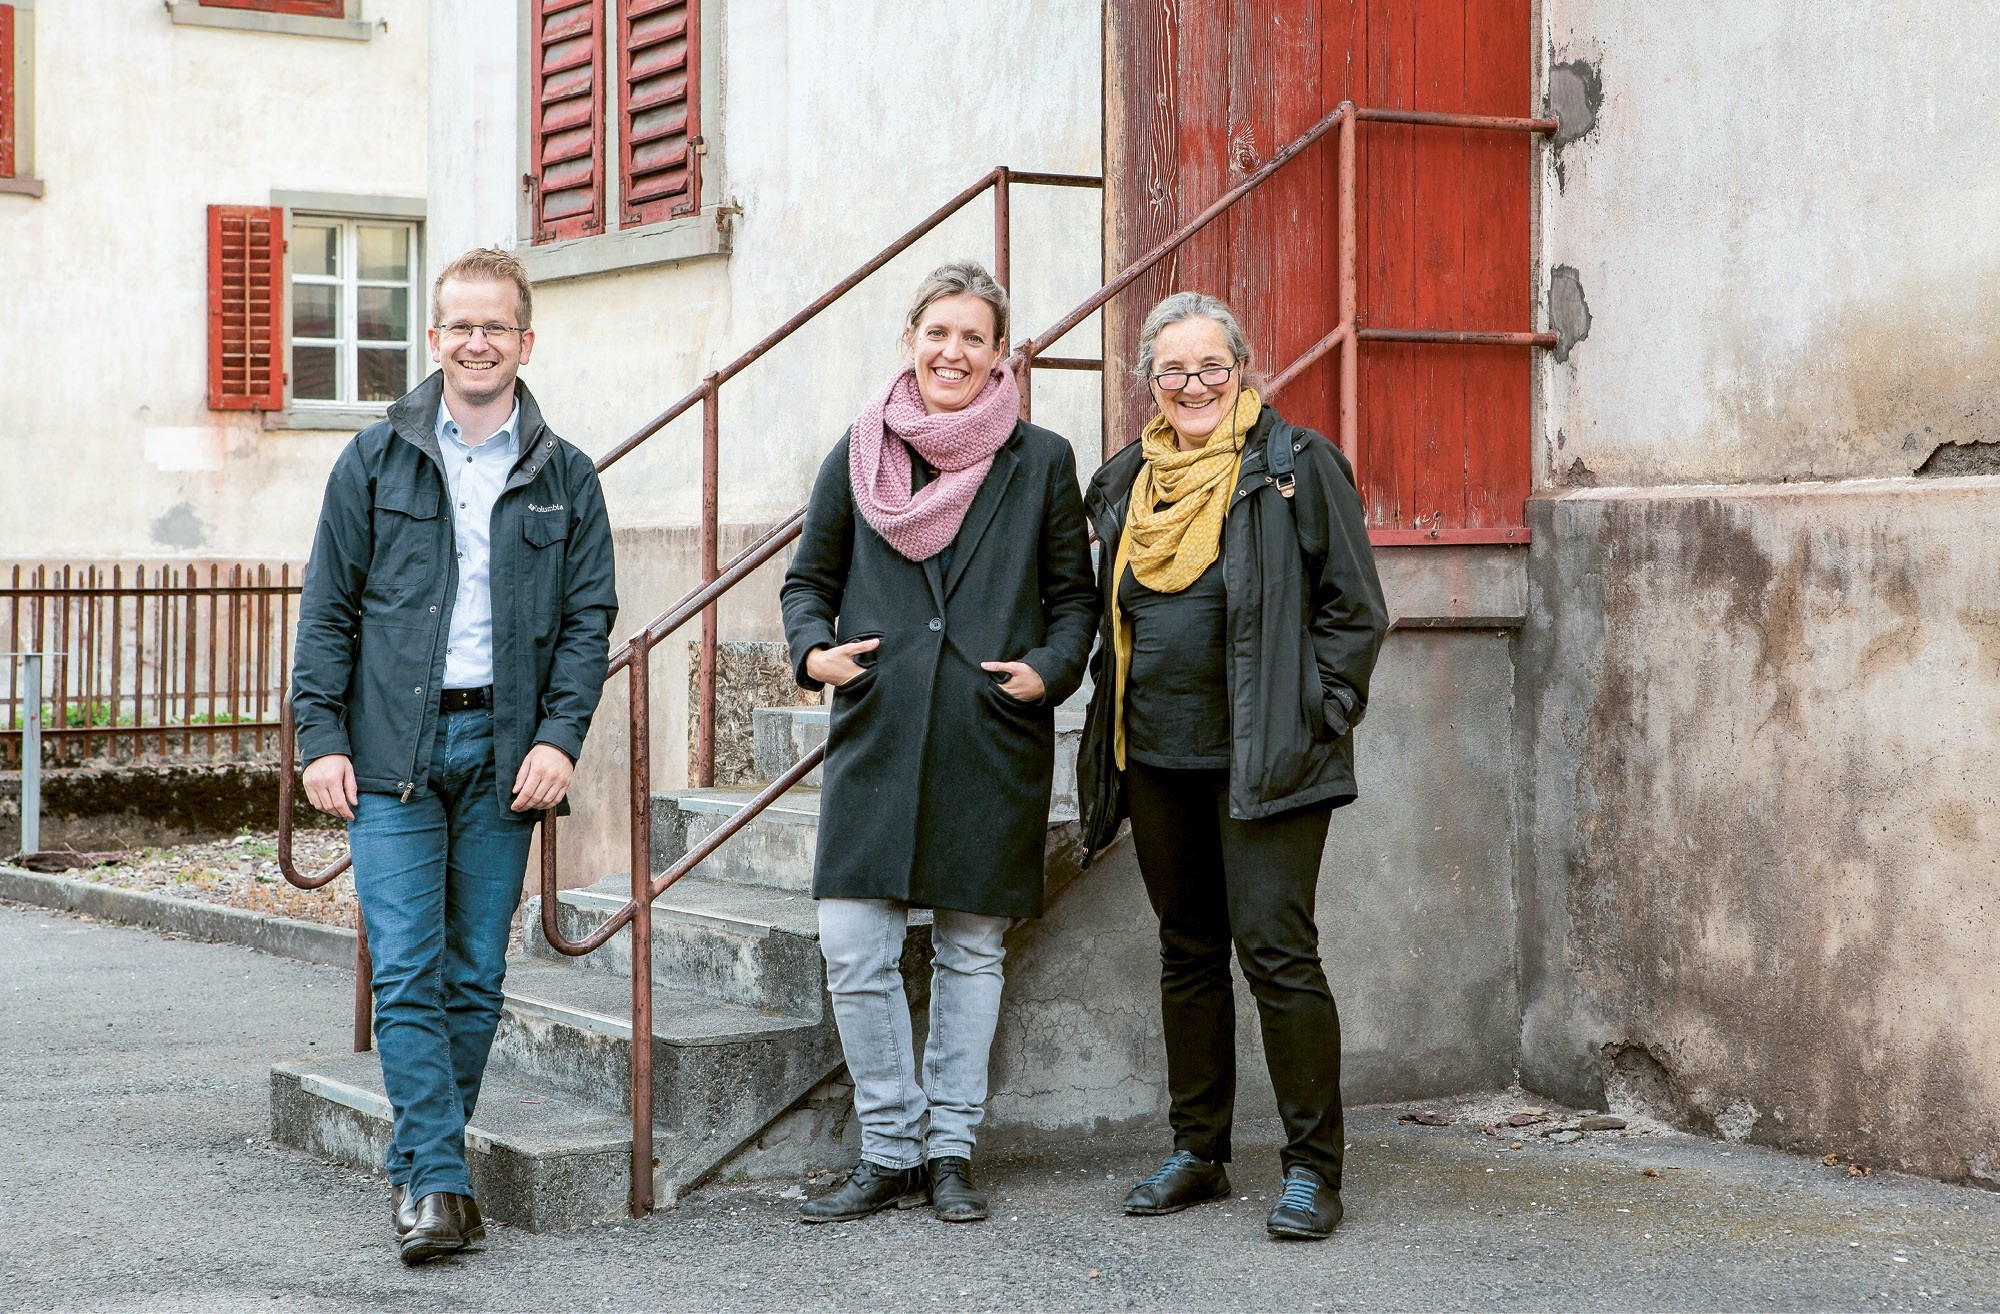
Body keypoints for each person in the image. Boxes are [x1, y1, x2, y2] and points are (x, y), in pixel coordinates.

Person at [290, 248, 618, 1264]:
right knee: (406, 969)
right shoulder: (373, 461)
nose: (478, 342)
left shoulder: (564, 474)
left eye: (497, 326)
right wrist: (318, 736)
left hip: (507, 749)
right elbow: (329, 609)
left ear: (525, 340)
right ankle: (435, 1181)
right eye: (459, 325)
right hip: (391, 748)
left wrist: (560, 738)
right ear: (433, 339)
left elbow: (585, 623)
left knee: (476, 972)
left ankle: (429, 1170)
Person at [782, 259, 1098, 1225]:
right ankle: (890, 1147)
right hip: (878, 728)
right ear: (909, 341)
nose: (953, 351)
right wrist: (815, 657)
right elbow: (809, 583)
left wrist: (1050, 671)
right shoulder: (857, 451)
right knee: (854, 944)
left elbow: (1073, 597)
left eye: (974, 336)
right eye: (937, 332)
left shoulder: (1038, 460)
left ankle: (950, 1150)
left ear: (1002, 354)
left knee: (970, 952)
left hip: (984, 730)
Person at [1077, 291, 1387, 1241]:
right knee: (1187, 952)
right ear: (1150, 382)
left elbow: (1355, 609)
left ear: (1242, 369)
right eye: (1173, 370)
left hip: (1270, 761)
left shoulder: (1293, 466)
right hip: (1159, 755)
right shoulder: (1126, 481)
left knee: (1278, 956)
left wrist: (1323, 711)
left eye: (1212, 366)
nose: (1194, 384)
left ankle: (1311, 1169)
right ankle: (1199, 1151)